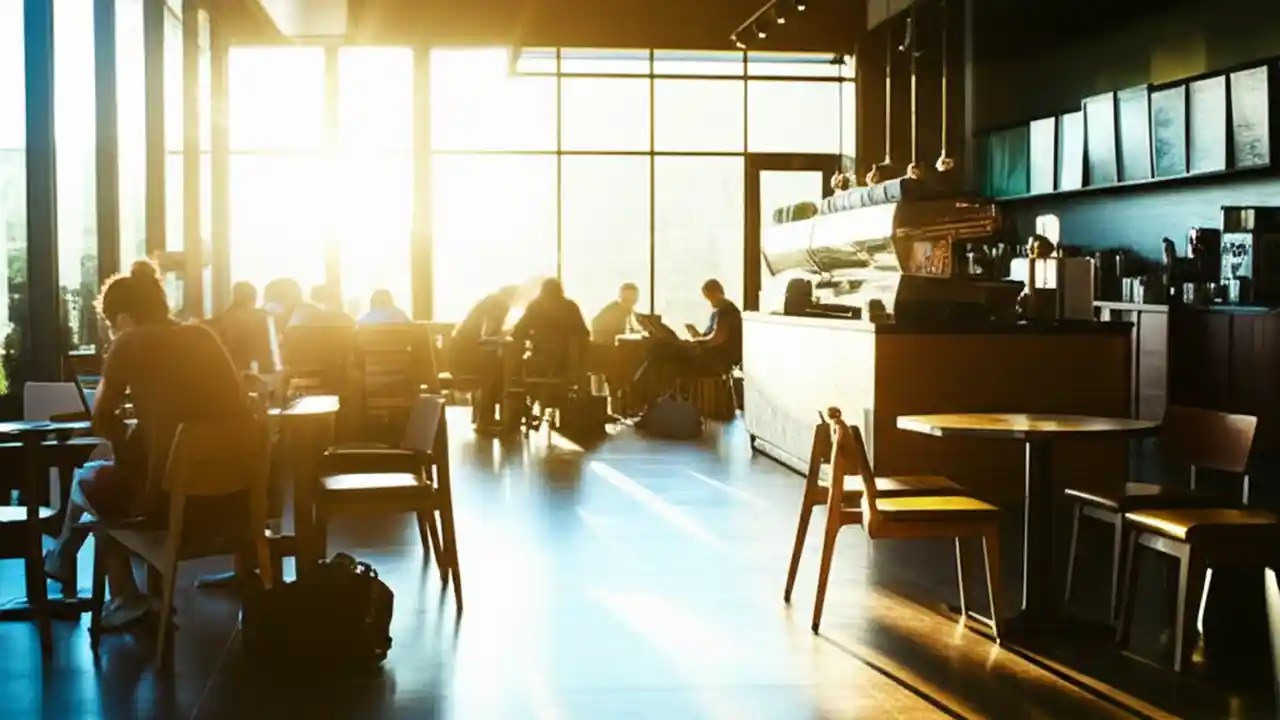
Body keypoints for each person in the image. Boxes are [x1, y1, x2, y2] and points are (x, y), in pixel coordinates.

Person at [44, 260, 252, 630]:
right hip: (234, 497)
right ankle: (65, 555)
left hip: (167, 501)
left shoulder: (130, 342)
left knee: (89, 482)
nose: (111, 333)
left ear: (122, 318)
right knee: (109, 475)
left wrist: (129, 434)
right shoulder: (202, 336)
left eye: (110, 325)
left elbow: (102, 418)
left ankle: (121, 593)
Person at [635, 278, 742, 393]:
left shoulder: (726, 310)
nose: (710, 302)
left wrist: (694, 342)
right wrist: (697, 336)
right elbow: (712, 338)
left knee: (662, 354)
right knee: (662, 352)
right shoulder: (720, 311)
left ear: (718, 292)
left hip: (716, 360)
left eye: (710, 298)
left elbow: (716, 339)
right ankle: (645, 393)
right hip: (711, 355)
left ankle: (640, 392)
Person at [449, 286, 519, 427]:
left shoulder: (482, 309)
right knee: (499, 371)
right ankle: (489, 417)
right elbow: (486, 336)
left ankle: (486, 416)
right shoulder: (499, 305)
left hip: (459, 358)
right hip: (470, 360)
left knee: (496, 368)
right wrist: (506, 336)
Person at [513, 278, 590, 380]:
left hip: (540, 360)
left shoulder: (536, 306)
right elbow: (583, 333)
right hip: (567, 363)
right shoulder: (570, 306)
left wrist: (530, 336)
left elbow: (519, 330)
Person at [213, 281, 274, 372]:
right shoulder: (263, 316)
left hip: (229, 369)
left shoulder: (222, 319)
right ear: (254, 298)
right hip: (260, 369)